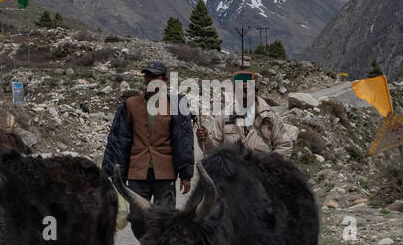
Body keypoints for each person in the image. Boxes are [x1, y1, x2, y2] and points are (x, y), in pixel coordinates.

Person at [101, 62, 194, 223]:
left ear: (164, 79)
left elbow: (184, 139)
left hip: (165, 172)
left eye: (155, 76)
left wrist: (186, 174)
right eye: (148, 76)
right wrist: (115, 173)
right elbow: (118, 140)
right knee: (137, 218)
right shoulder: (130, 105)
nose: (150, 80)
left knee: (166, 218)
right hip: (138, 172)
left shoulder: (176, 105)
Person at [197, 71, 293, 156]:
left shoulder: (270, 116)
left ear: (255, 91)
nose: (243, 95)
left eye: (247, 90)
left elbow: (285, 146)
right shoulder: (224, 116)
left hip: (260, 174)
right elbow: (213, 152)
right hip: (231, 174)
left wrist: (269, 167)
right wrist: (206, 139)